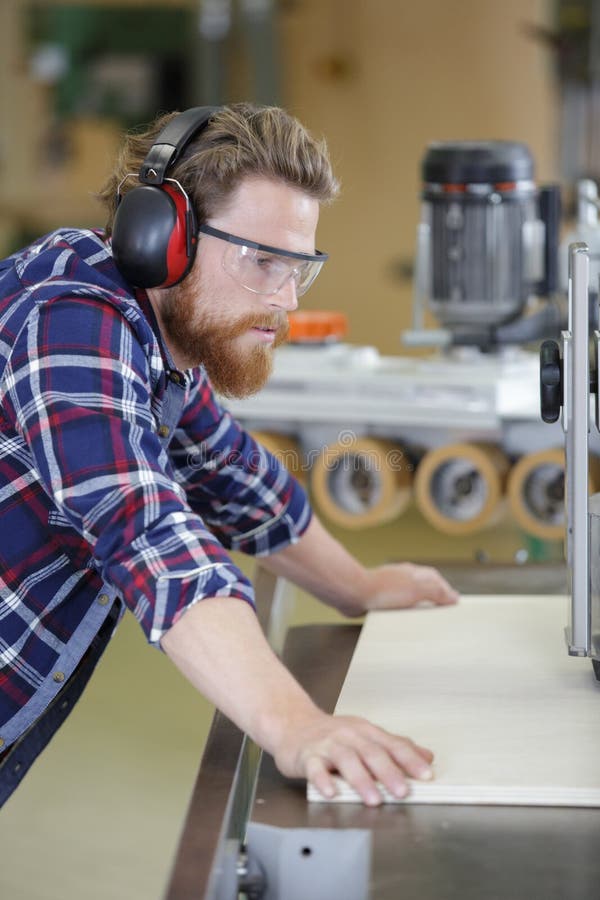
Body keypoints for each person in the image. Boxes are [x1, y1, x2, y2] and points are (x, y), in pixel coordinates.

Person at [0, 102, 458, 810]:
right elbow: (145, 530)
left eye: (297, 269)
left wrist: (357, 588)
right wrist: (296, 725)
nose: (283, 302)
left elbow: (236, 475)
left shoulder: (160, 341)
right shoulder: (69, 318)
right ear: (163, 236)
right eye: (261, 262)